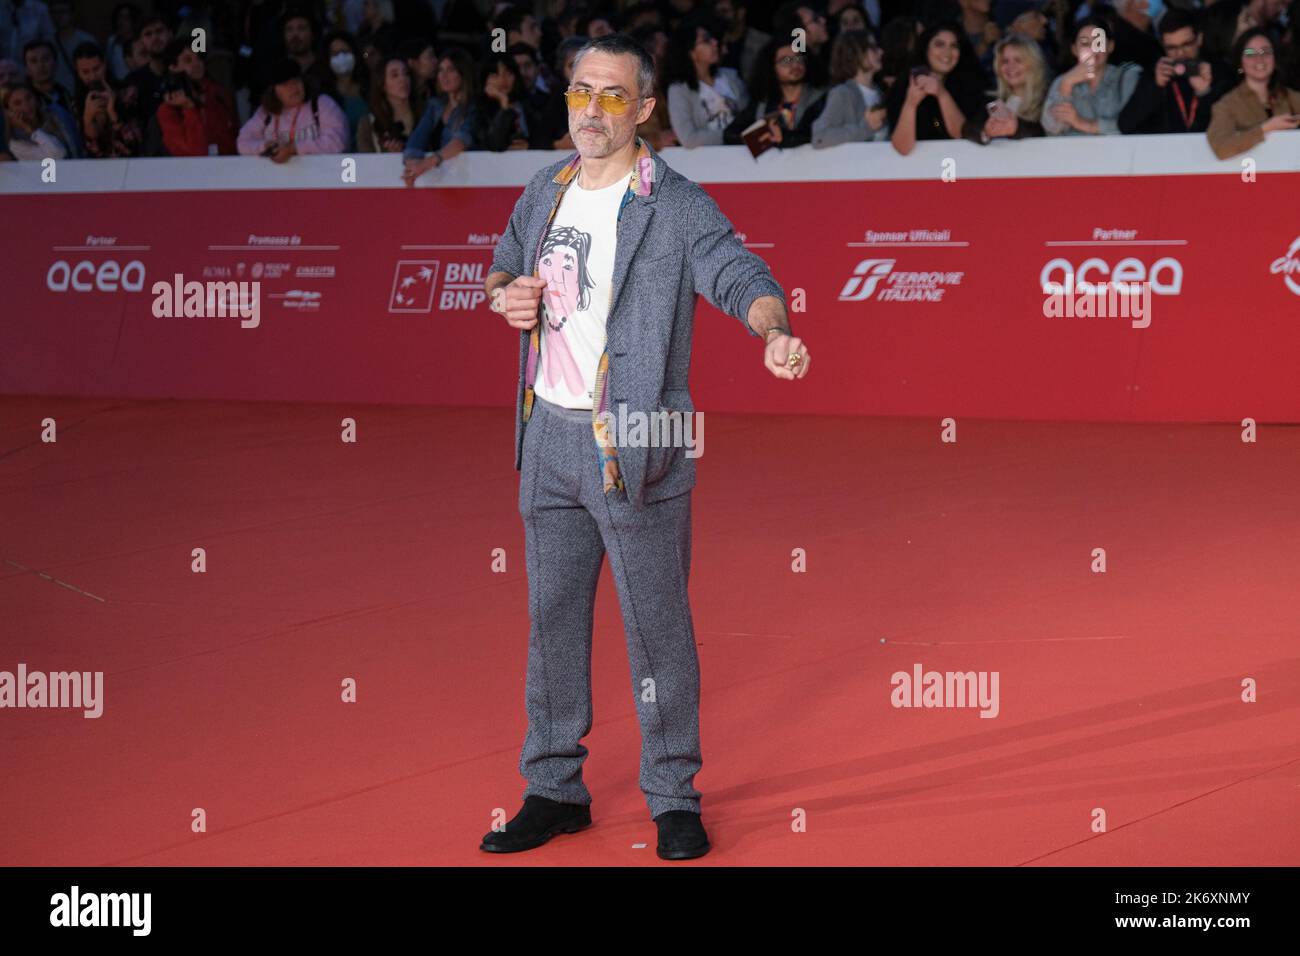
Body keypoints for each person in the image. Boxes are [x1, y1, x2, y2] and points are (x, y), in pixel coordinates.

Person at [481, 31, 809, 861]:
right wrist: (504, 298)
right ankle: (553, 788)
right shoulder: (543, 188)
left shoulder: (678, 204)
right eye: (581, 92)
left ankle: (673, 795)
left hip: (637, 439)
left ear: (645, 109)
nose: (593, 109)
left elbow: (742, 275)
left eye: (613, 95)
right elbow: (501, 267)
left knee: (655, 626)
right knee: (551, 622)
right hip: (546, 437)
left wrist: (774, 331)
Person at [1120, 7, 1228, 135]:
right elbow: (1125, 125)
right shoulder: (1157, 74)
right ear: (1163, 47)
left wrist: (1205, 94)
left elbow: (1227, 125)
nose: (1181, 53)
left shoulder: (1220, 72)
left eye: (1187, 44)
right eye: (1172, 48)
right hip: (1166, 153)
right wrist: (1155, 86)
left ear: (1199, 39)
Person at [885, 21, 986, 154]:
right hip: (918, 170)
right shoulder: (904, 86)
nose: (947, 52)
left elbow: (960, 134)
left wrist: (942, 94)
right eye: (939, 44)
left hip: (961, 166)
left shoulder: (970, 86)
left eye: (954, 46)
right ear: (926, 48)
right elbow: (903, 148)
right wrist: (911, 104)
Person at [1205, 25, 1300, 158]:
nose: (1259, 59)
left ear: (1275, 58)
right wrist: (1265, 129)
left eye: (1266, 52)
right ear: (1240, 62)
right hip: (1248, 175)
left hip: (1288, 173)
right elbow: (1221, 147)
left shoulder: (1289, 96)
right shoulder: (1227, 104)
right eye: (1250, 53)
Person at [1041, 15, 1141, 135]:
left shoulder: (1126, 77)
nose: (1092, 49)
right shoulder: (1063, 81)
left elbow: (1133, 125)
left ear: (1110, 46)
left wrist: (1081, 123)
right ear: (1074, 50)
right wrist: (1066, 87)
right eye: (1085, 43)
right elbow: (1052, 129)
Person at [723, 36, 828, 148]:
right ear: (771, 68)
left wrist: (785, 137)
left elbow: (821, 134)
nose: (795, 65)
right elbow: (730, 134)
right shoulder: (762, 105)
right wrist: (763, 136)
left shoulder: (823, 98)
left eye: (799, 58)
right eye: (785, 61)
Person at [235, 57, 348, 160]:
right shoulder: (265, 113)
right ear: (273, 91)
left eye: (296, 81)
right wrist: (265, 146)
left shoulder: (322, 104)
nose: (293, 87)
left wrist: (293, 149)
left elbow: (338, 142)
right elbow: (242, 143)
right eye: (285, 84)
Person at [665, 14, 748, 147]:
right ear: (691, 52)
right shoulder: (679, 90)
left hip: (744, 154)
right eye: (706, 40)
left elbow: (749, 118)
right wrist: (729, 136)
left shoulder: (730, 77)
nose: (715, 42)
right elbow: (688, 138)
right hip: (709, 162)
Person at [401, 48, 475, 184]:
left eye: (450, 70)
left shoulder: (473, 107)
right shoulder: (435, 106)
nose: (444, 75)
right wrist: (412, 164)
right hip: (437, 182)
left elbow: (462, 139)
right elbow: (416, 140)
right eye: (441, 70)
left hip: (466, 179)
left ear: (463, 73)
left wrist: (427, 163)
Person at [155, 37, 238, 157]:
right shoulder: (168, 110)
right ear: (173, 67)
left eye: (198, 58)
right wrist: (189, 108)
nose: (197, 63)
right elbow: (196, 153)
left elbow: (234, 139)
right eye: (188, 60)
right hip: (193, 172)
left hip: (230, 168)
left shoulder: (218, 94)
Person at [963, 31, 1049, 142]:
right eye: (1005, 61)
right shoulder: (990, 101)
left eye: (1018, 60)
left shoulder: (1048, 100)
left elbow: (1049, 136)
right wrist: (985, 131)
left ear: (1033, 64)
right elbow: (967, 129)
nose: (1010, 66)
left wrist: (1016, 129)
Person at [813, 27, 889, 146]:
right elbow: (820, 137)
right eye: (873, 48)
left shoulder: (881, 92)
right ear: (856, 54)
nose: (881, 52)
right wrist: (865, 128)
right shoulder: (842, 94)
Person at [356, 54, 420, 152]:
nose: (402, 79)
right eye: (395, 75)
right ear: (382, 84)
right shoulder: (368, 124)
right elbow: (366, 161)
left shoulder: (426, 114)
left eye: (406, 73)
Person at [1, 80, 80, 158]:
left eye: (29, 98)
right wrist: (31, 130)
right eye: (17, 103)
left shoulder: (55, 113)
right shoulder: (14, 143)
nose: (26, 106)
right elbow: (59, 154)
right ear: (8, 111)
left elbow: (76, 147)